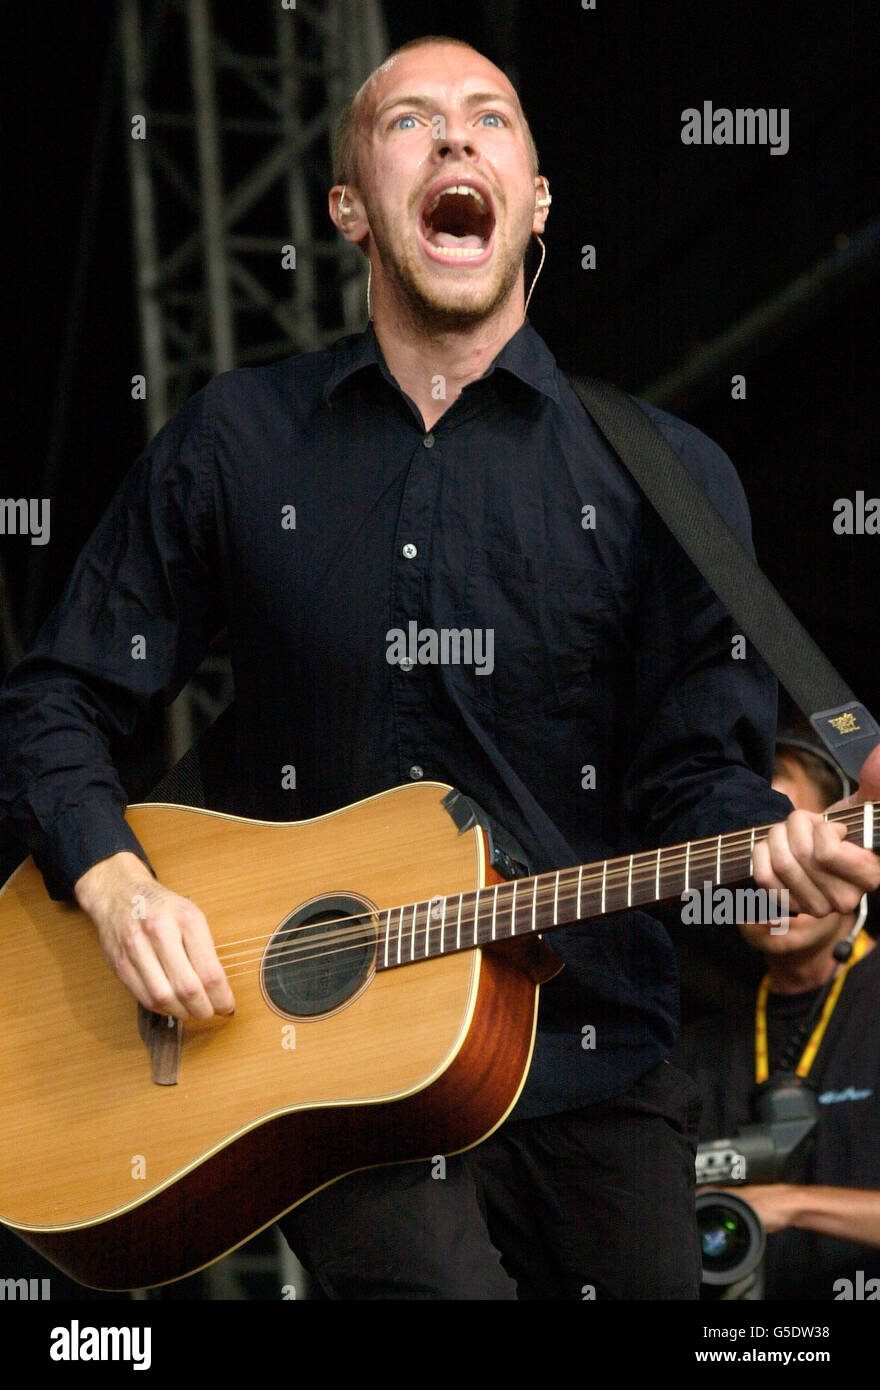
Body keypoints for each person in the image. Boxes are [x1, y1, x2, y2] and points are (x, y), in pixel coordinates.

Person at [1, 35, 878, 1300]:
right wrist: (119, 885)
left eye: (491, 120)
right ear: (350, 204)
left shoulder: (669, 476)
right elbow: (56, 701)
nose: (457, 138)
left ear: (534, 203)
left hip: (597, 1067)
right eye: (412, 120)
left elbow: (700, 787)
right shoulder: (238, 446)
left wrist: (771, 853)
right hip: (327, 1070)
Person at [678, 730, 880, 1300]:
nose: (776, 877)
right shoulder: (692, 1050)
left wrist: (791, 1205)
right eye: (750, 853)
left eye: (797, 845)